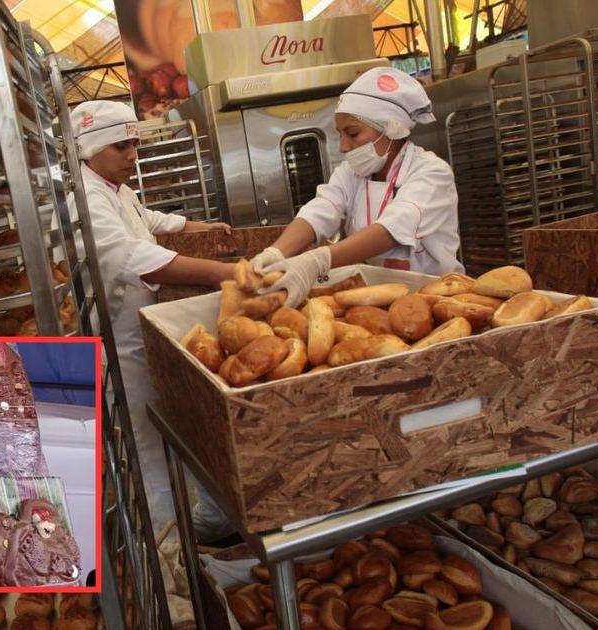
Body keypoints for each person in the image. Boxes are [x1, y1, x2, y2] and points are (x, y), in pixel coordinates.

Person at [58, 100, 234, 531]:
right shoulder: (83, 197)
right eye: (122, 147)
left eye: (134, 146)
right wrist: (221, 272)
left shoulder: (115, 188)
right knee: (147, 440)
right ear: (91, 148)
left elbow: (148, 220)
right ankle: (168, 543)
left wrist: (194, 227)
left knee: (173, 427)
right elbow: (129, 253)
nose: (132, 157)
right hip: (120, 339)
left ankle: (206, 525)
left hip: (146, 330)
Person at [254, 67, 462, 307]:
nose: (343, 146)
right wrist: (275, 253)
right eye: (340, 134)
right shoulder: (352, 173)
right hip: (372, 298)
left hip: (435, 299)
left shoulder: (432, 173)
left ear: (392, 129)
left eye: (352, 133)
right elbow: (322, 209)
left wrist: (316, 261)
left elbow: (391, 231)